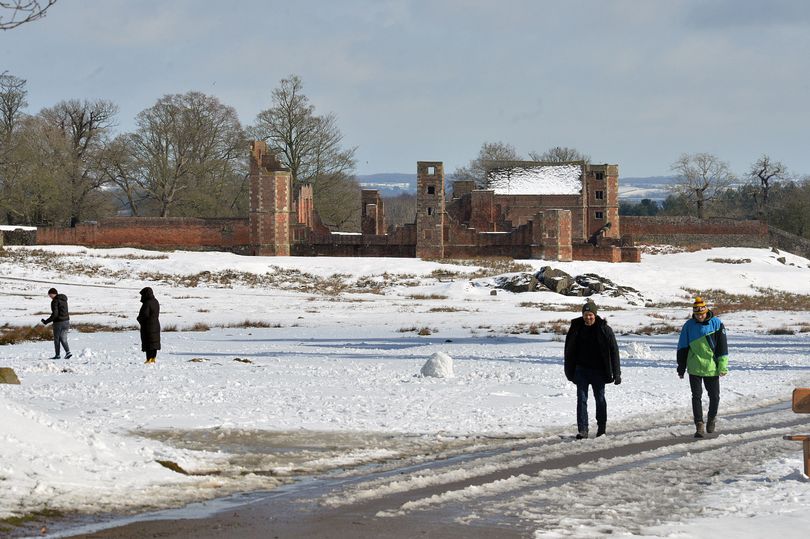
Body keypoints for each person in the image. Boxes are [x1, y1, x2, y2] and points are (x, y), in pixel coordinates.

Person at [564, 300, 621, 439]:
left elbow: (614, 351)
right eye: (586, 314)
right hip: (581, 370)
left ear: (595, 315)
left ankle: (601, 428)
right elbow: (568, 349)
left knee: (600, 399)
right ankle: (583, 430)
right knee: (581, 399)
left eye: (590, 315)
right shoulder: (576, 328)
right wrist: (569, 370)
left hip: (599, 372)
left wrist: (617, 373)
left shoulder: (604, 329)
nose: (588, 317)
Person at [677, 297, 729, 438]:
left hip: (712, 367)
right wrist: (681, 367)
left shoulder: (717, 324)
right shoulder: (689, 325)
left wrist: (722, 366)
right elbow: (682, 347)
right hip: (694, 367)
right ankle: (699, 425)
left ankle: (711, 418)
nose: (700, 316)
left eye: (702, 314)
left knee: (715, 397)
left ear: (706, 311)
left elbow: (722, 347)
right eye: (697, 314)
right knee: (696, 397)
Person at [40, 287, 71, 359]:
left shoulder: (55, 301)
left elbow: (55, 314)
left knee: (57, 339)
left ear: (53, 294)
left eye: (50, 295)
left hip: (58, 322)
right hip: (66, 321)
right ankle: (68, 352)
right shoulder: (64, 300)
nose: (50, 297)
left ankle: (57, 355)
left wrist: (46, 321)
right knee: (63, 338)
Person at [137, 287, 161, 364]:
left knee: (148, 343)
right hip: (156, 325)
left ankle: (149, 359)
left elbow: (144, 315)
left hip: (148, 326)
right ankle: (153, 358)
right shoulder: (155, 301)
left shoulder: (147, 303)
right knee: (154, 343)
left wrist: (139, 319)